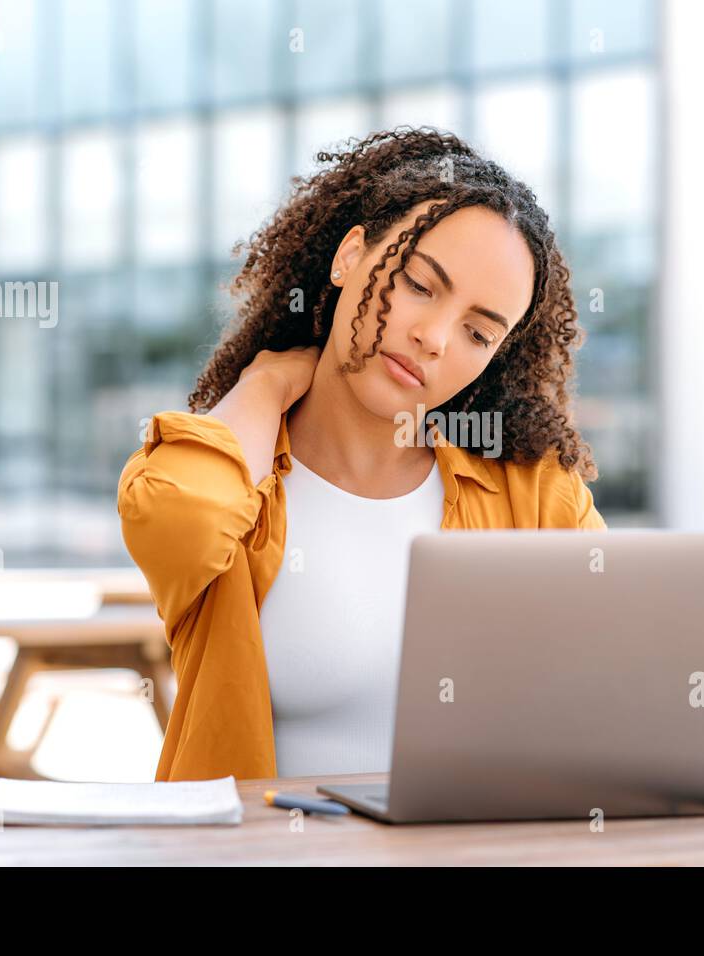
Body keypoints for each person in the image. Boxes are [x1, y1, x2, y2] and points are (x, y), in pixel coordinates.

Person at [118, 126, 606, 782]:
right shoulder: (240, 475)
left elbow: (614, 682)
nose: (433, 338)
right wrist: (263, 387)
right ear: (350, 254)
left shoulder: (535, 494)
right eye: (419, 285)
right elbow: (178, 524)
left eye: (478, 331)